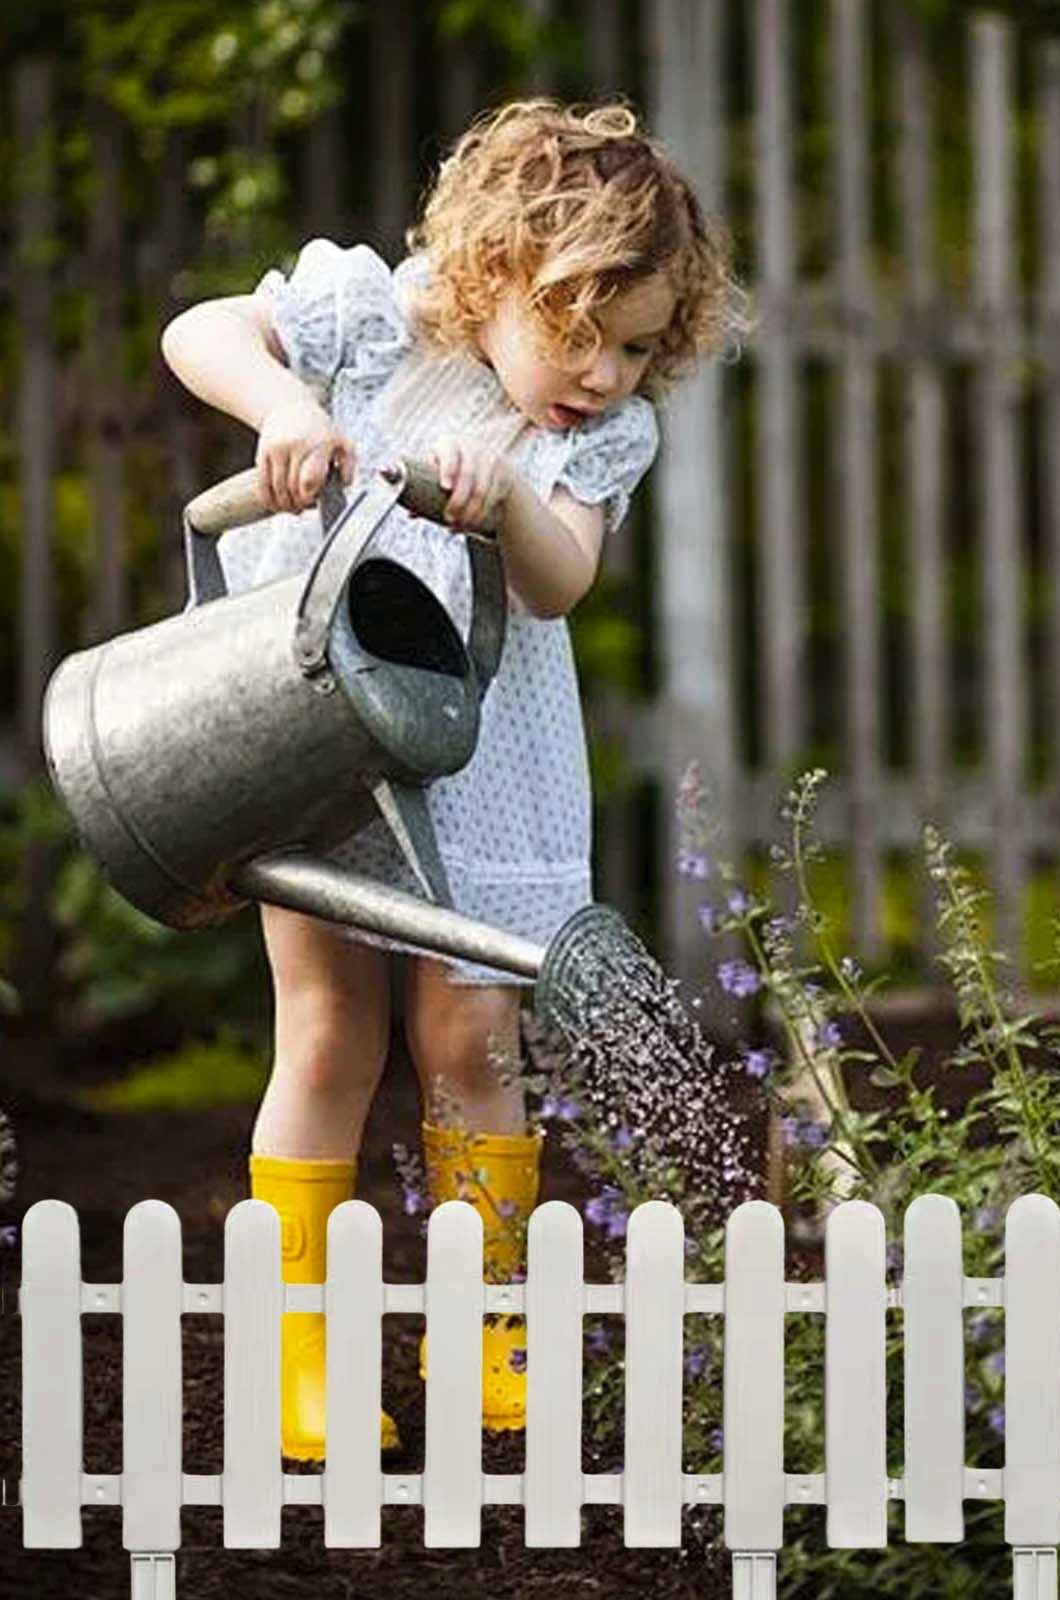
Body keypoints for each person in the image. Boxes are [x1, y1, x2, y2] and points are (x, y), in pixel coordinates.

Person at [161, 98, 747, 1460]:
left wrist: (508, 505)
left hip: (488, 755)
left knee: (472, 1042)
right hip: (306, 725)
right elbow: (201, 333)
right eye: (578, 331)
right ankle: (299, 1355)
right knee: (323, 1028)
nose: (602, 372)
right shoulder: (372, 319)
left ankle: (484, 1337)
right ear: (492, 274)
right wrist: (284, 403)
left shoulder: (590, 442)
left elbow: (562, 582)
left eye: (638, 346)